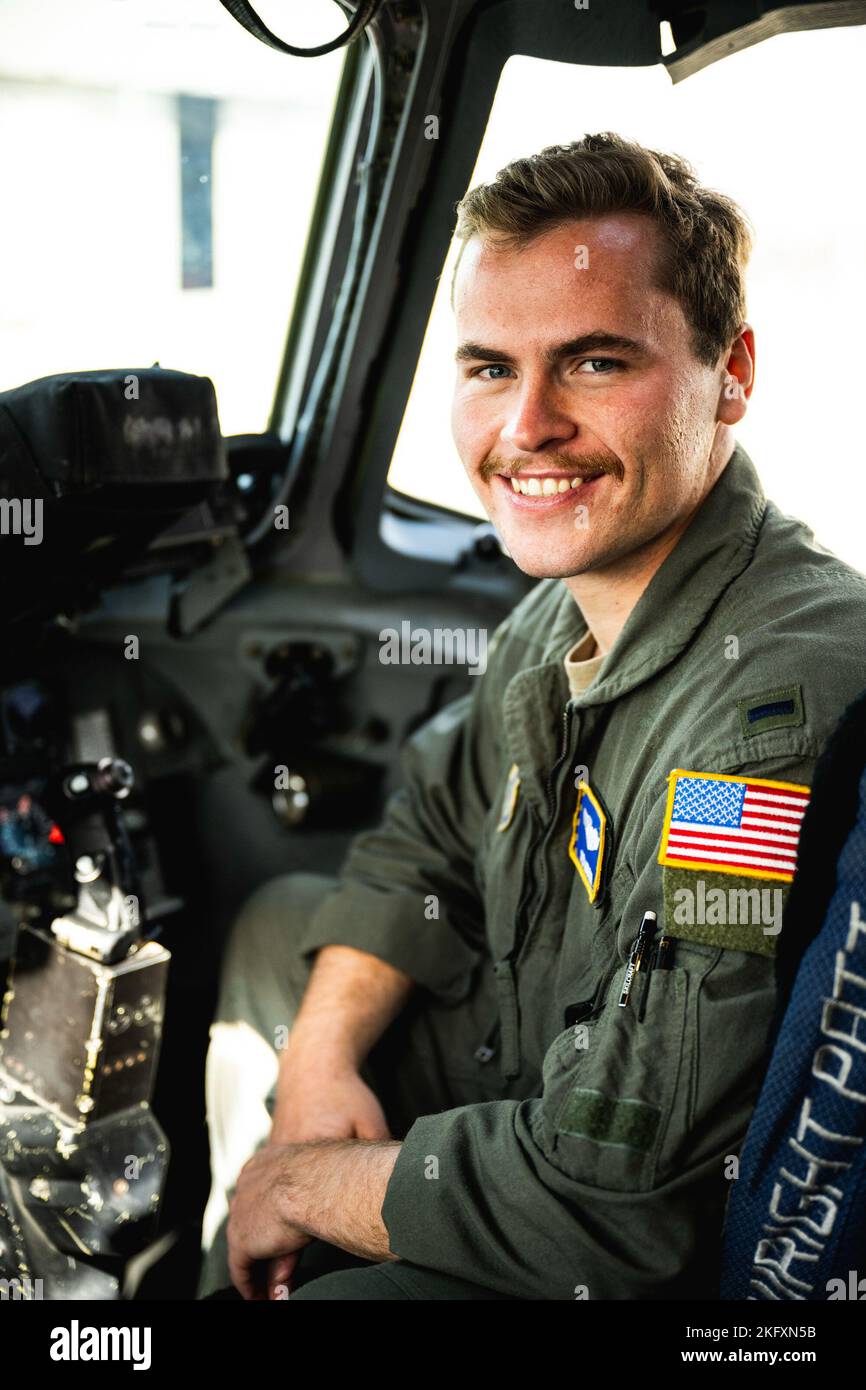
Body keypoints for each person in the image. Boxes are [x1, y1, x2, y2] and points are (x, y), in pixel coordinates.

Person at [197, 132, 866, 1301]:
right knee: (280, 927)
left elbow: (619, 1201)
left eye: (595, 363)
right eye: (489, 368)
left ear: (732, 371)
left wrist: (303, 1183)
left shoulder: (758, 735)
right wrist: (315, 1068)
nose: (528, 427)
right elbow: (428, 835)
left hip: (625, 1228)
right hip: (528, 1058)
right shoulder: (562, 603)